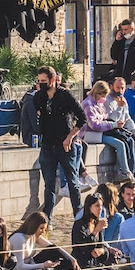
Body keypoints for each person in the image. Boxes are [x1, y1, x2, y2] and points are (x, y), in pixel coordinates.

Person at [27, 68, 88, 218]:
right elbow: (41, 116)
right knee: (49, 184)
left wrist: (70, 136)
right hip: (48, 144)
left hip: (65, 144)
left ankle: (78, 216)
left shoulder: (64, 95)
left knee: (72, 181)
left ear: (52, 80)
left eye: (44, 81)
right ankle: (47, 219)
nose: (40, 84)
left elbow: (82, 118)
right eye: (39, 81)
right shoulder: (38, 97)